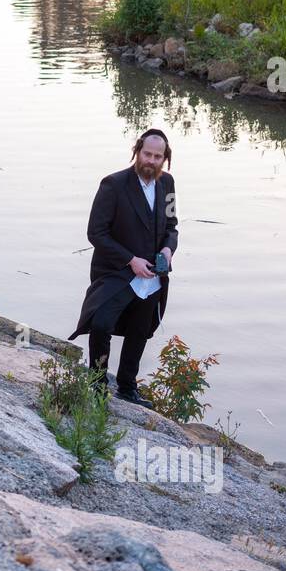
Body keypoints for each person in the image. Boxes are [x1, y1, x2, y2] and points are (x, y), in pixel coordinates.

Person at [68, 129, 179, 408]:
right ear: (137, 151)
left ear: (165, 158)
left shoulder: (168, 184)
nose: (151, 161)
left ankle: (128, 387)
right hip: (116, 272)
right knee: (102, 325)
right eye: (147, 154)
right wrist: (131, 260)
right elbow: (96, 233)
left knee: (140, 331)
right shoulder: (113, 184)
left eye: (158, 156)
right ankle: (96, 385)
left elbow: (171, 227)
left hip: (153, 273)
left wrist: (167, 249)